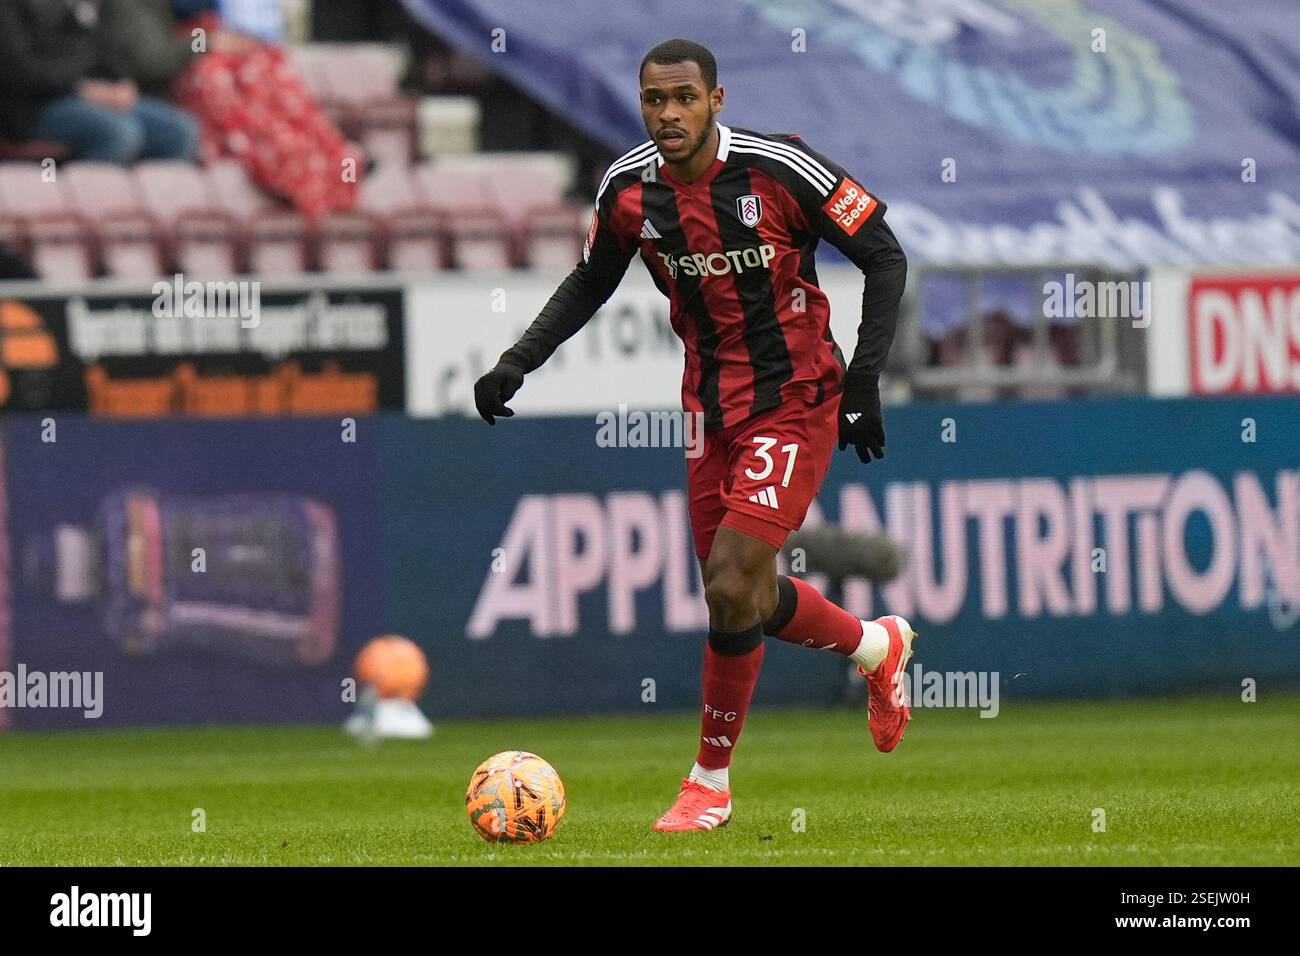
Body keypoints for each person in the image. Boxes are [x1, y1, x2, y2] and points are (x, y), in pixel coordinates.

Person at [474, 39, 915, 832]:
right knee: (734, 598)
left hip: (796, 394)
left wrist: (864, 380)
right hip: (708, 409)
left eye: (683, 98)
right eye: (654, 100)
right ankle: (875, 649)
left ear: (717, 99)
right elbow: (590, 279)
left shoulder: (782, 168)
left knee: (732, 573)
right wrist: (518, 359)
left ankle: (708, 785)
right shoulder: (627, 190)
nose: (668, 114)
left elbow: (884, 255)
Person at [0, 0, 199, 164]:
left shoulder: (74, 8)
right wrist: (81, 89)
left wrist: (120, 84)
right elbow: (23, 73)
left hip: (87, 97)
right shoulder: (9, 8)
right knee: (120, 132)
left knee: (179, 131)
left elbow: (97, 53)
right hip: (34, 109)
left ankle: (144, 207)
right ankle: (80, 206)